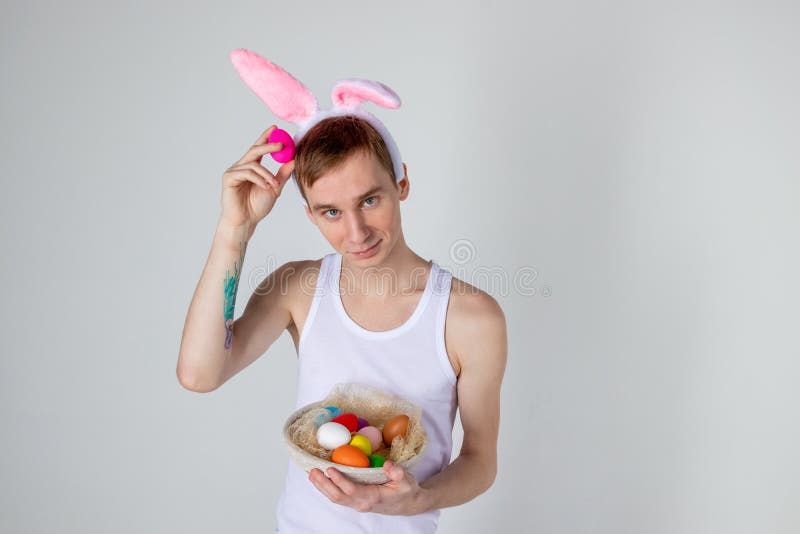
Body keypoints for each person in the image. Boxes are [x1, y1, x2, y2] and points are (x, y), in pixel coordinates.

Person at [177, 115, 507, 533]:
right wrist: (234, 229)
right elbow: (199, 374)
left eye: (370, 200)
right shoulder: (298, 287)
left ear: (401, 183)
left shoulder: (471, 318)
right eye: (331, 211)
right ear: (311, 215)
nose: (356, 232)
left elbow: (480, 461)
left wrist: (417, 500)